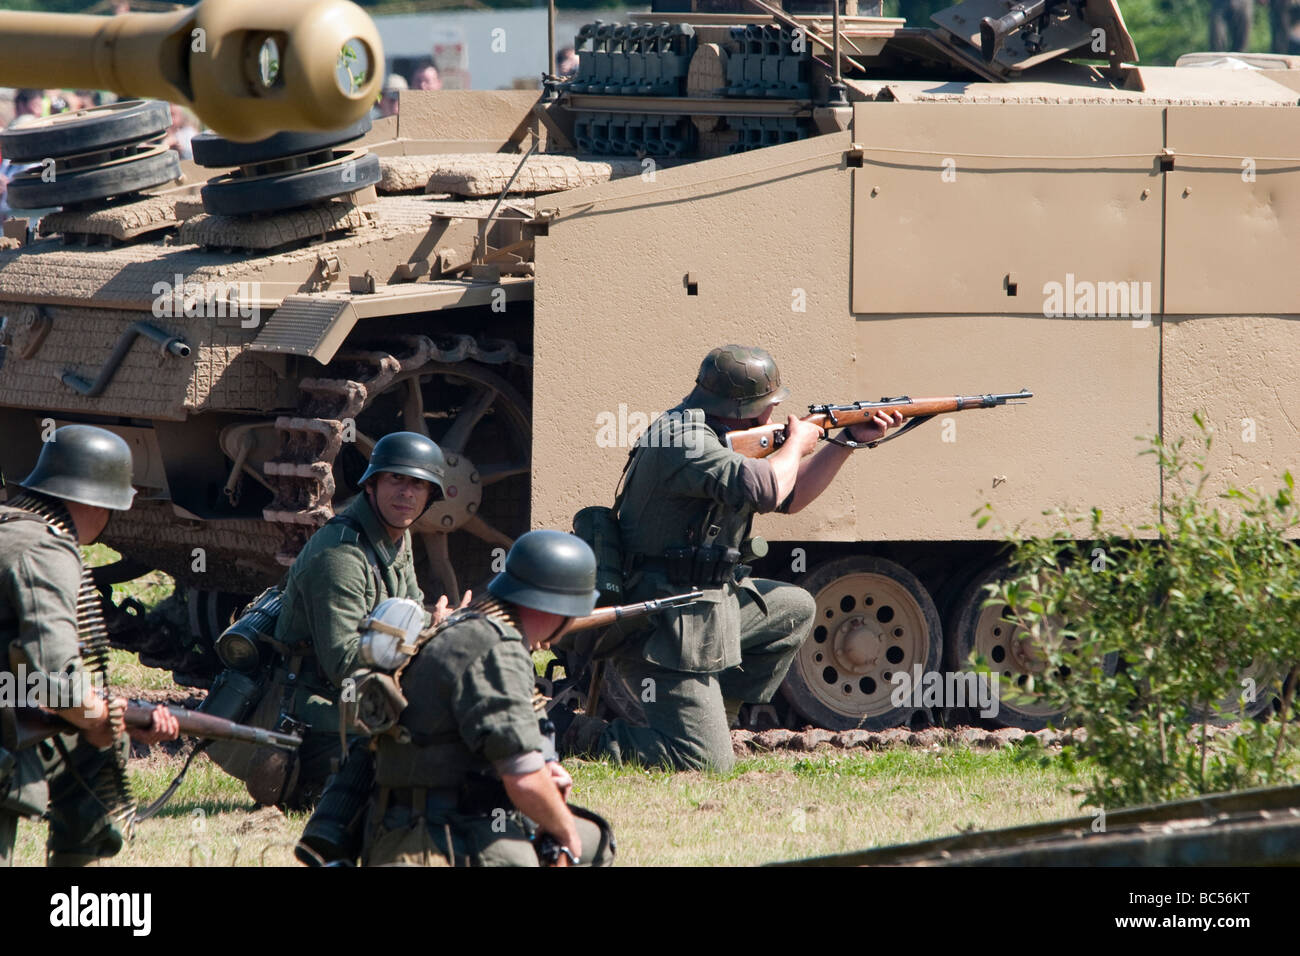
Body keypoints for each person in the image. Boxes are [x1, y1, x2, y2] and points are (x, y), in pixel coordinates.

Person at [558, 345, 903, 772]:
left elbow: (789, 498)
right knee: (703, 765)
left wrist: (845, 441)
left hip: (706, 605)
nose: (773, 414)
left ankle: (714, 719)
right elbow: (764, 489)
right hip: (662, 621)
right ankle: (576, 734)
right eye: (768, 407)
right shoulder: (682, 439)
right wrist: (797, 442)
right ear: (742, 409)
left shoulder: (716, 433)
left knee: (792, 609)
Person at [361, 530, 614, 867]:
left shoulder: (470, 628)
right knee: (581, 842)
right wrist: (565, 832)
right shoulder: (497, 649)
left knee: (588, 836)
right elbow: (523, 780)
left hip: (412, 820)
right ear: (559, 609)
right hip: (436, 837)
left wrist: (547, 765)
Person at [0, 425, 177, 866]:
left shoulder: (14, 529)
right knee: (97, 735)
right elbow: (56, 681)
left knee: (94, 744)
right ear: (98, 501)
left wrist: (100, 721)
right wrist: (103, 718)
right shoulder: (46, 551)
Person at [253, 431, 452, 809]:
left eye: (418, 484)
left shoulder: (396, 534)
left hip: (355, 701)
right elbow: (344, 666)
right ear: (372, 484)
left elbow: (408, 612)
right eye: (396, 478)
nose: (406, 493)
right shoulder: (341, 554)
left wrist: (442, 625)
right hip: (314, 719)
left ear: (430, 496)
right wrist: (431, 639)